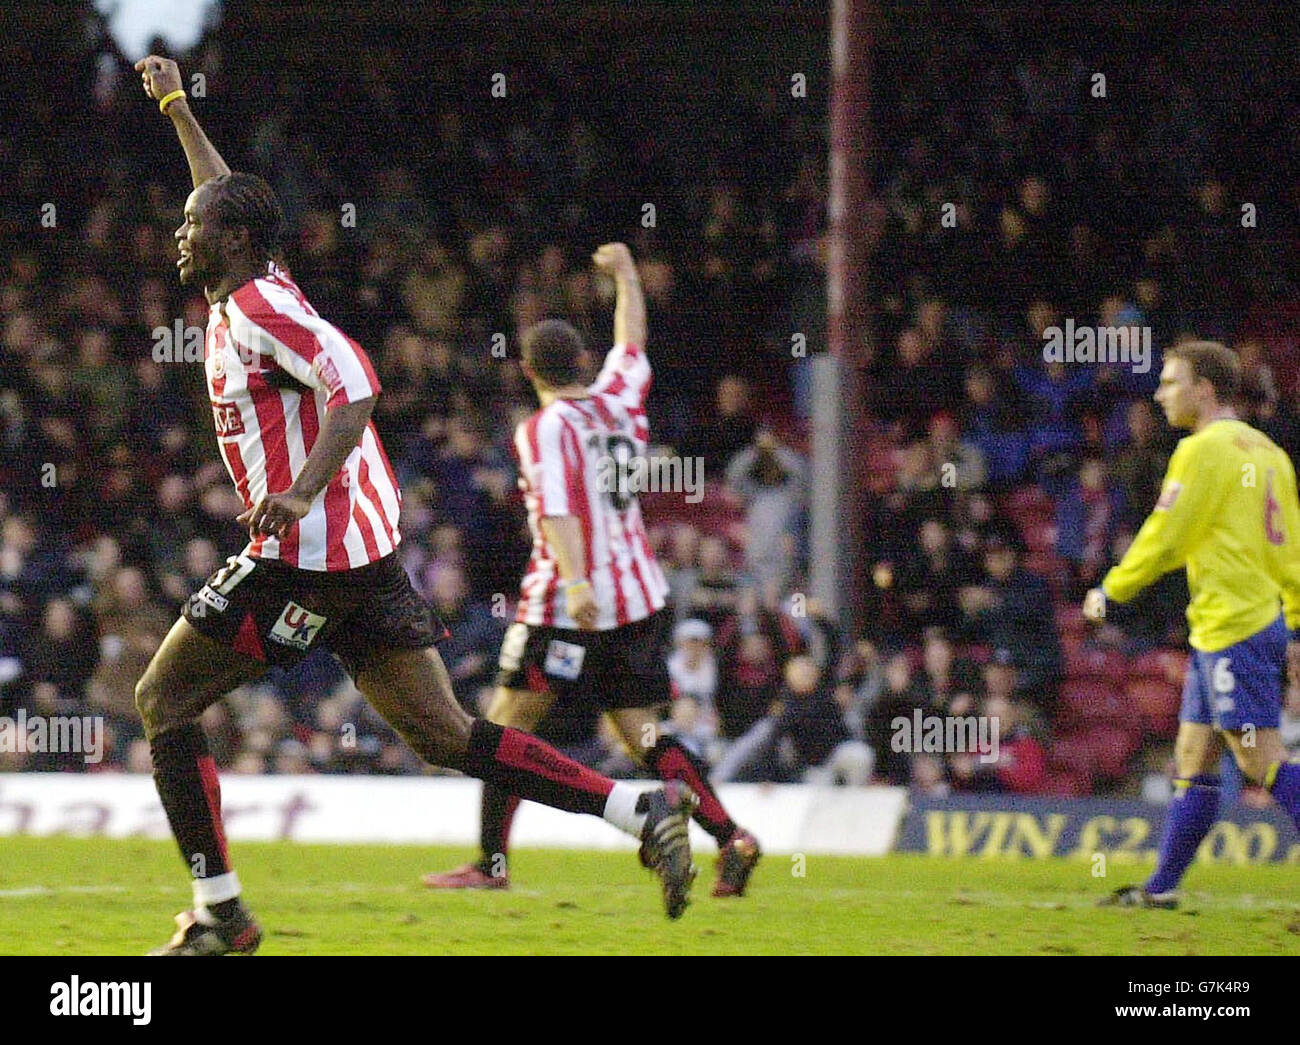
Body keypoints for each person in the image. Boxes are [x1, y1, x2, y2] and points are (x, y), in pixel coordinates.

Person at [133, 55, 699, 952]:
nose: (179, 235)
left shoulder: (257, 311)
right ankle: (638, 808)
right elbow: (220, 190)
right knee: (449, 733)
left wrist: (299, 489)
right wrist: (173, 106)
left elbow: (356, 380)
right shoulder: (259, 276)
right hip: (364, 559)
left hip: (304, 560)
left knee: (163, 699)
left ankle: (222, 916)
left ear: (233, 244)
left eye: (192, 229)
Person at [423, 242, 760, 899]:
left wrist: (576, 583)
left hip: (566, 601)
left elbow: (557, 513)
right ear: (584, 361)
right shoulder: (619, 397)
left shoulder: (543, 428)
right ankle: (732, 836)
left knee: (500, 730)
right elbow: (631, 340)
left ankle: (491, 866)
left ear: (527, 369)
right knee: (642, 732)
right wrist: (629, 276)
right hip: (639, 595)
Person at [1084, 341, 1300, 908]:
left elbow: (1165, 537)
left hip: (1237, 629)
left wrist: (1112, 590)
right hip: (1230, 629)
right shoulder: (1268, 452)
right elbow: (1291, 551)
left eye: (1171, 382)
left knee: (1259, 760)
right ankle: (1160, 889)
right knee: (1192, 756)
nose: (1159, 395)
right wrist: (1296, 625)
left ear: (1204, 390)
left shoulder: (1203, 450)